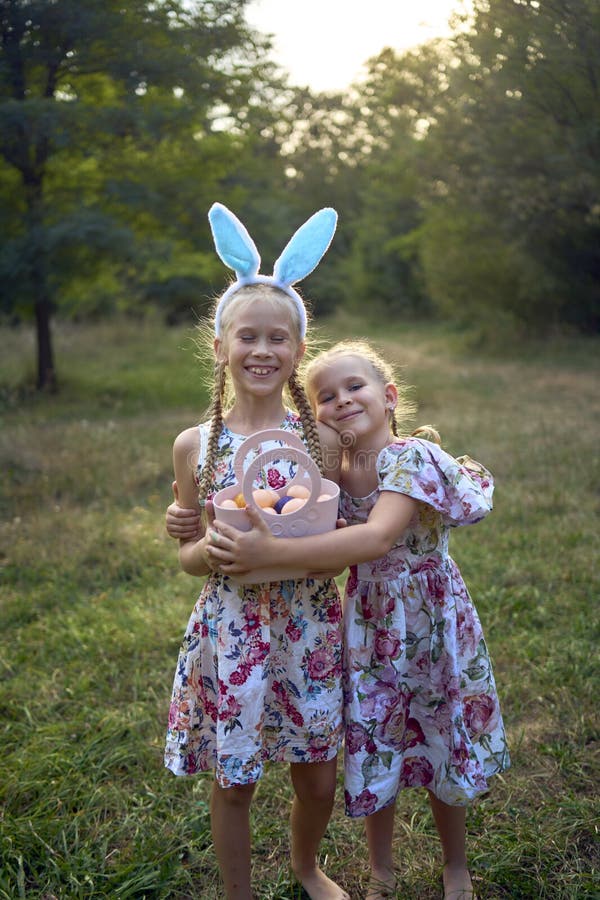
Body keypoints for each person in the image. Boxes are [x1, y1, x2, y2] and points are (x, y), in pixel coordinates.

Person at [204, 340, 510, 900]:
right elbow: (299, 527)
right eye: (326, 396)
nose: (342, 400)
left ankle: (455, 864)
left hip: (429, 623)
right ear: (312, 413)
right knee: (375, 739)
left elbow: (375, 538)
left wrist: (266, 556)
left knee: (440, 734)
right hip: (367, 626)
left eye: (355, 387)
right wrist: (195, 519)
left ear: (389, 396)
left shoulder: (408, 458)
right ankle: (381, 868)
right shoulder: (334, 477)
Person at [164, 202, 350, 900]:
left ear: (300, 350)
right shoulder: (196, 445)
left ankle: (307, 866)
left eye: (279, 338)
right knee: (234, 778)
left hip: (310, 626)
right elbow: (186, 557)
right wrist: (205, 551)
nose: (263, 350)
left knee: (318, 775)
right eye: (247, 336)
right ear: (220, 347)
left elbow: (335, 552)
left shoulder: (322, 443)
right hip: (232, 631)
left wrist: (269, 560)